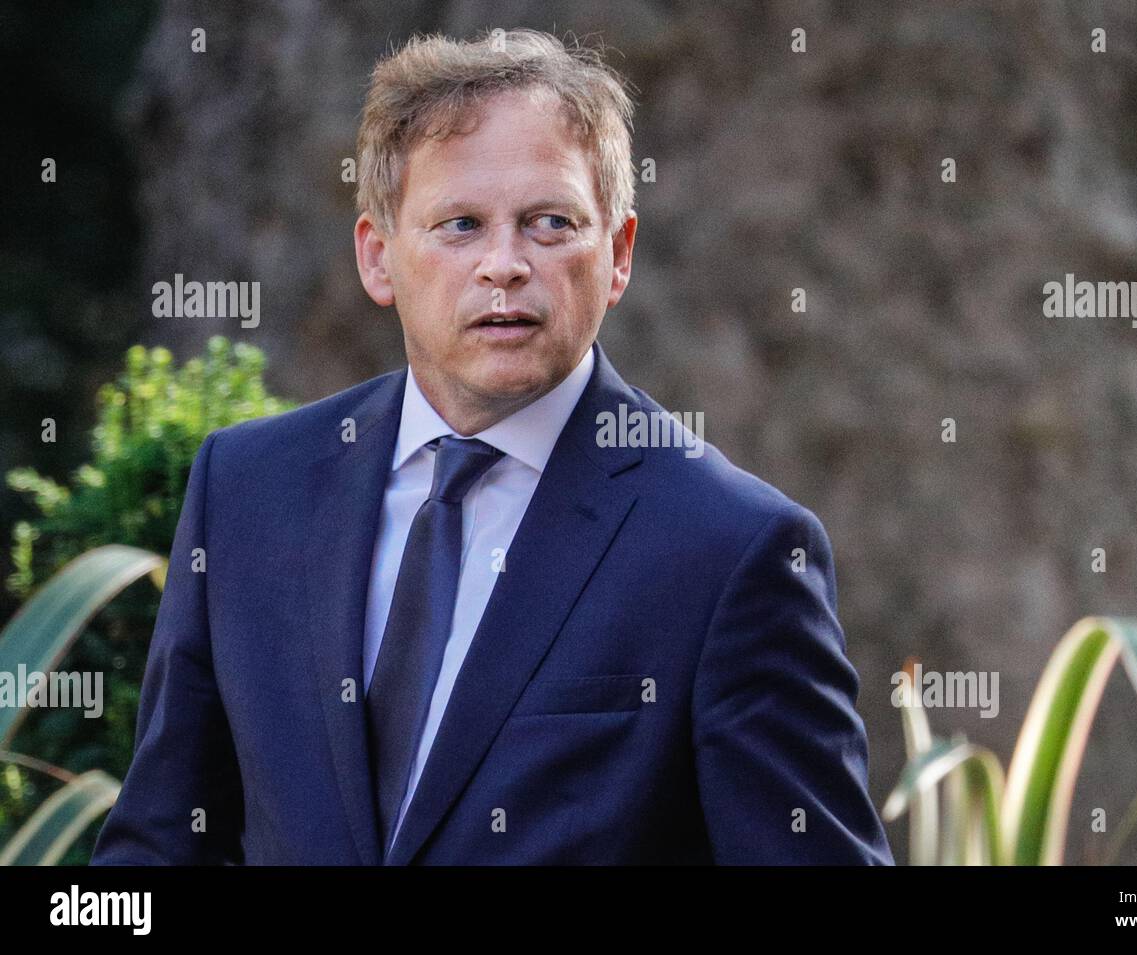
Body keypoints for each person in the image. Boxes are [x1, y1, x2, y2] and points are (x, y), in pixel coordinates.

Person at [90, 28, 894, 865]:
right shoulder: (249, 491)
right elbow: (157, 848)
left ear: (617, 255)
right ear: (379, 257)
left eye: (550, 223)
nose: (504, 265)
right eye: (460, 224)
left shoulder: (732, 550)